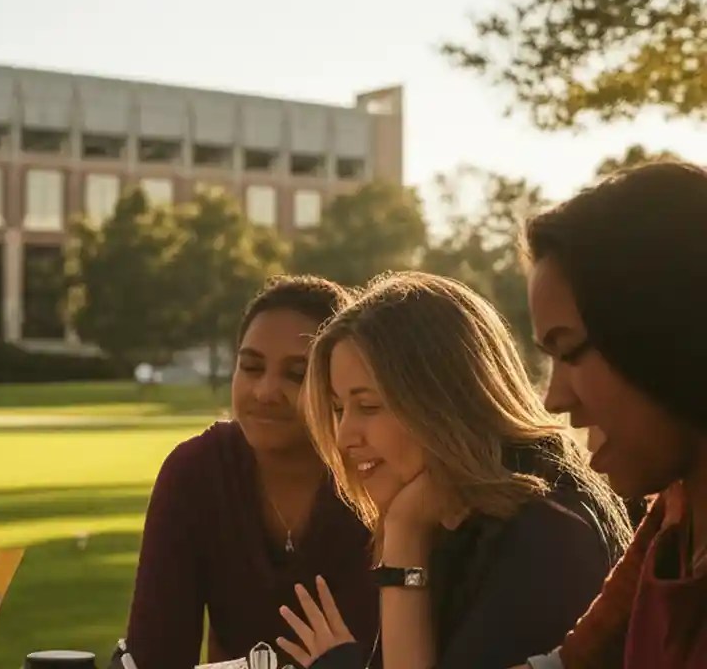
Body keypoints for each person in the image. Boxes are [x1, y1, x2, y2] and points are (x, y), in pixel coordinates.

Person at [277, 272, 632, 669]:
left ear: (445, 403)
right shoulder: (453, 518)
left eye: (370, 406)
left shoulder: (545, 534)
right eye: (340, 409)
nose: (343, 438)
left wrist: (405, 536)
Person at [124, 275, 379, 668]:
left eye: (297, 374)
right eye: (251, 367)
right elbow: (156, 653)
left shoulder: (377, 474)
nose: (264, 392)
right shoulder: (197, 473)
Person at [517, 161, 707, 668]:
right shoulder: (677, 517)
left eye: (570, 351)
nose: (553, 399)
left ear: (662, 334)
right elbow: (572, 661)